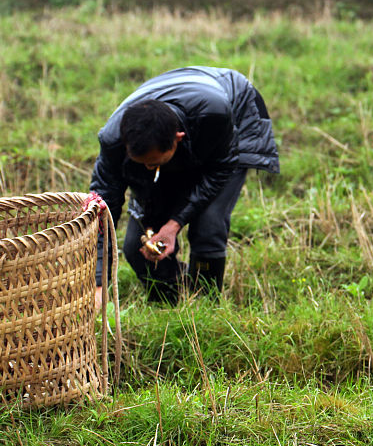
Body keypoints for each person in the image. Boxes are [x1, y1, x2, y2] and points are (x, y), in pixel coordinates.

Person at [89, 66, 279, 305]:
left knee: (207, 224)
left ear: (178, 138)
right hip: (177, 124)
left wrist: (174, 224)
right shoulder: (113, 140)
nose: (149, 169)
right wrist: (98, 282)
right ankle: (168, 304)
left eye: (154, 162)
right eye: (142, 163)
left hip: (233, 114)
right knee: (137, 244)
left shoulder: (214, 117)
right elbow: (102, 207)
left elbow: (219, 170)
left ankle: (205, 306)